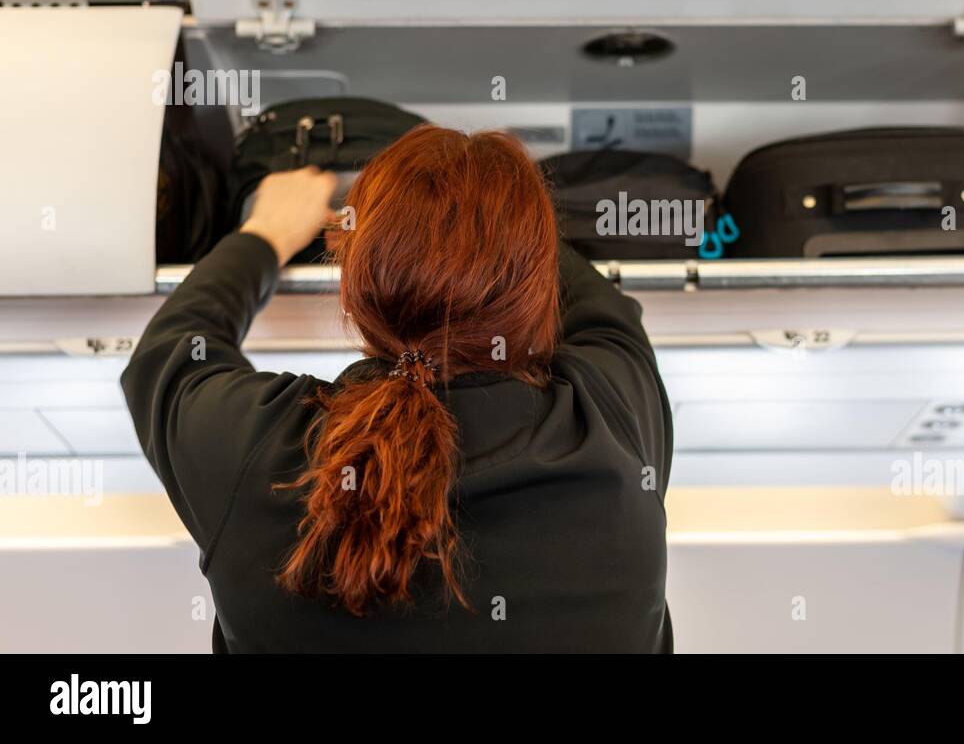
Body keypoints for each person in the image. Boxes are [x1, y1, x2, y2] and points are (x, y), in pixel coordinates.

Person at [122, 125, 673, 652]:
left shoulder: (258, 459)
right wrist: (490, 218)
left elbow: (170, 349)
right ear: (538, 284)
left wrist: (264, 235)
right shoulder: (612, 430)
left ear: (351, 286)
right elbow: (606, 314)